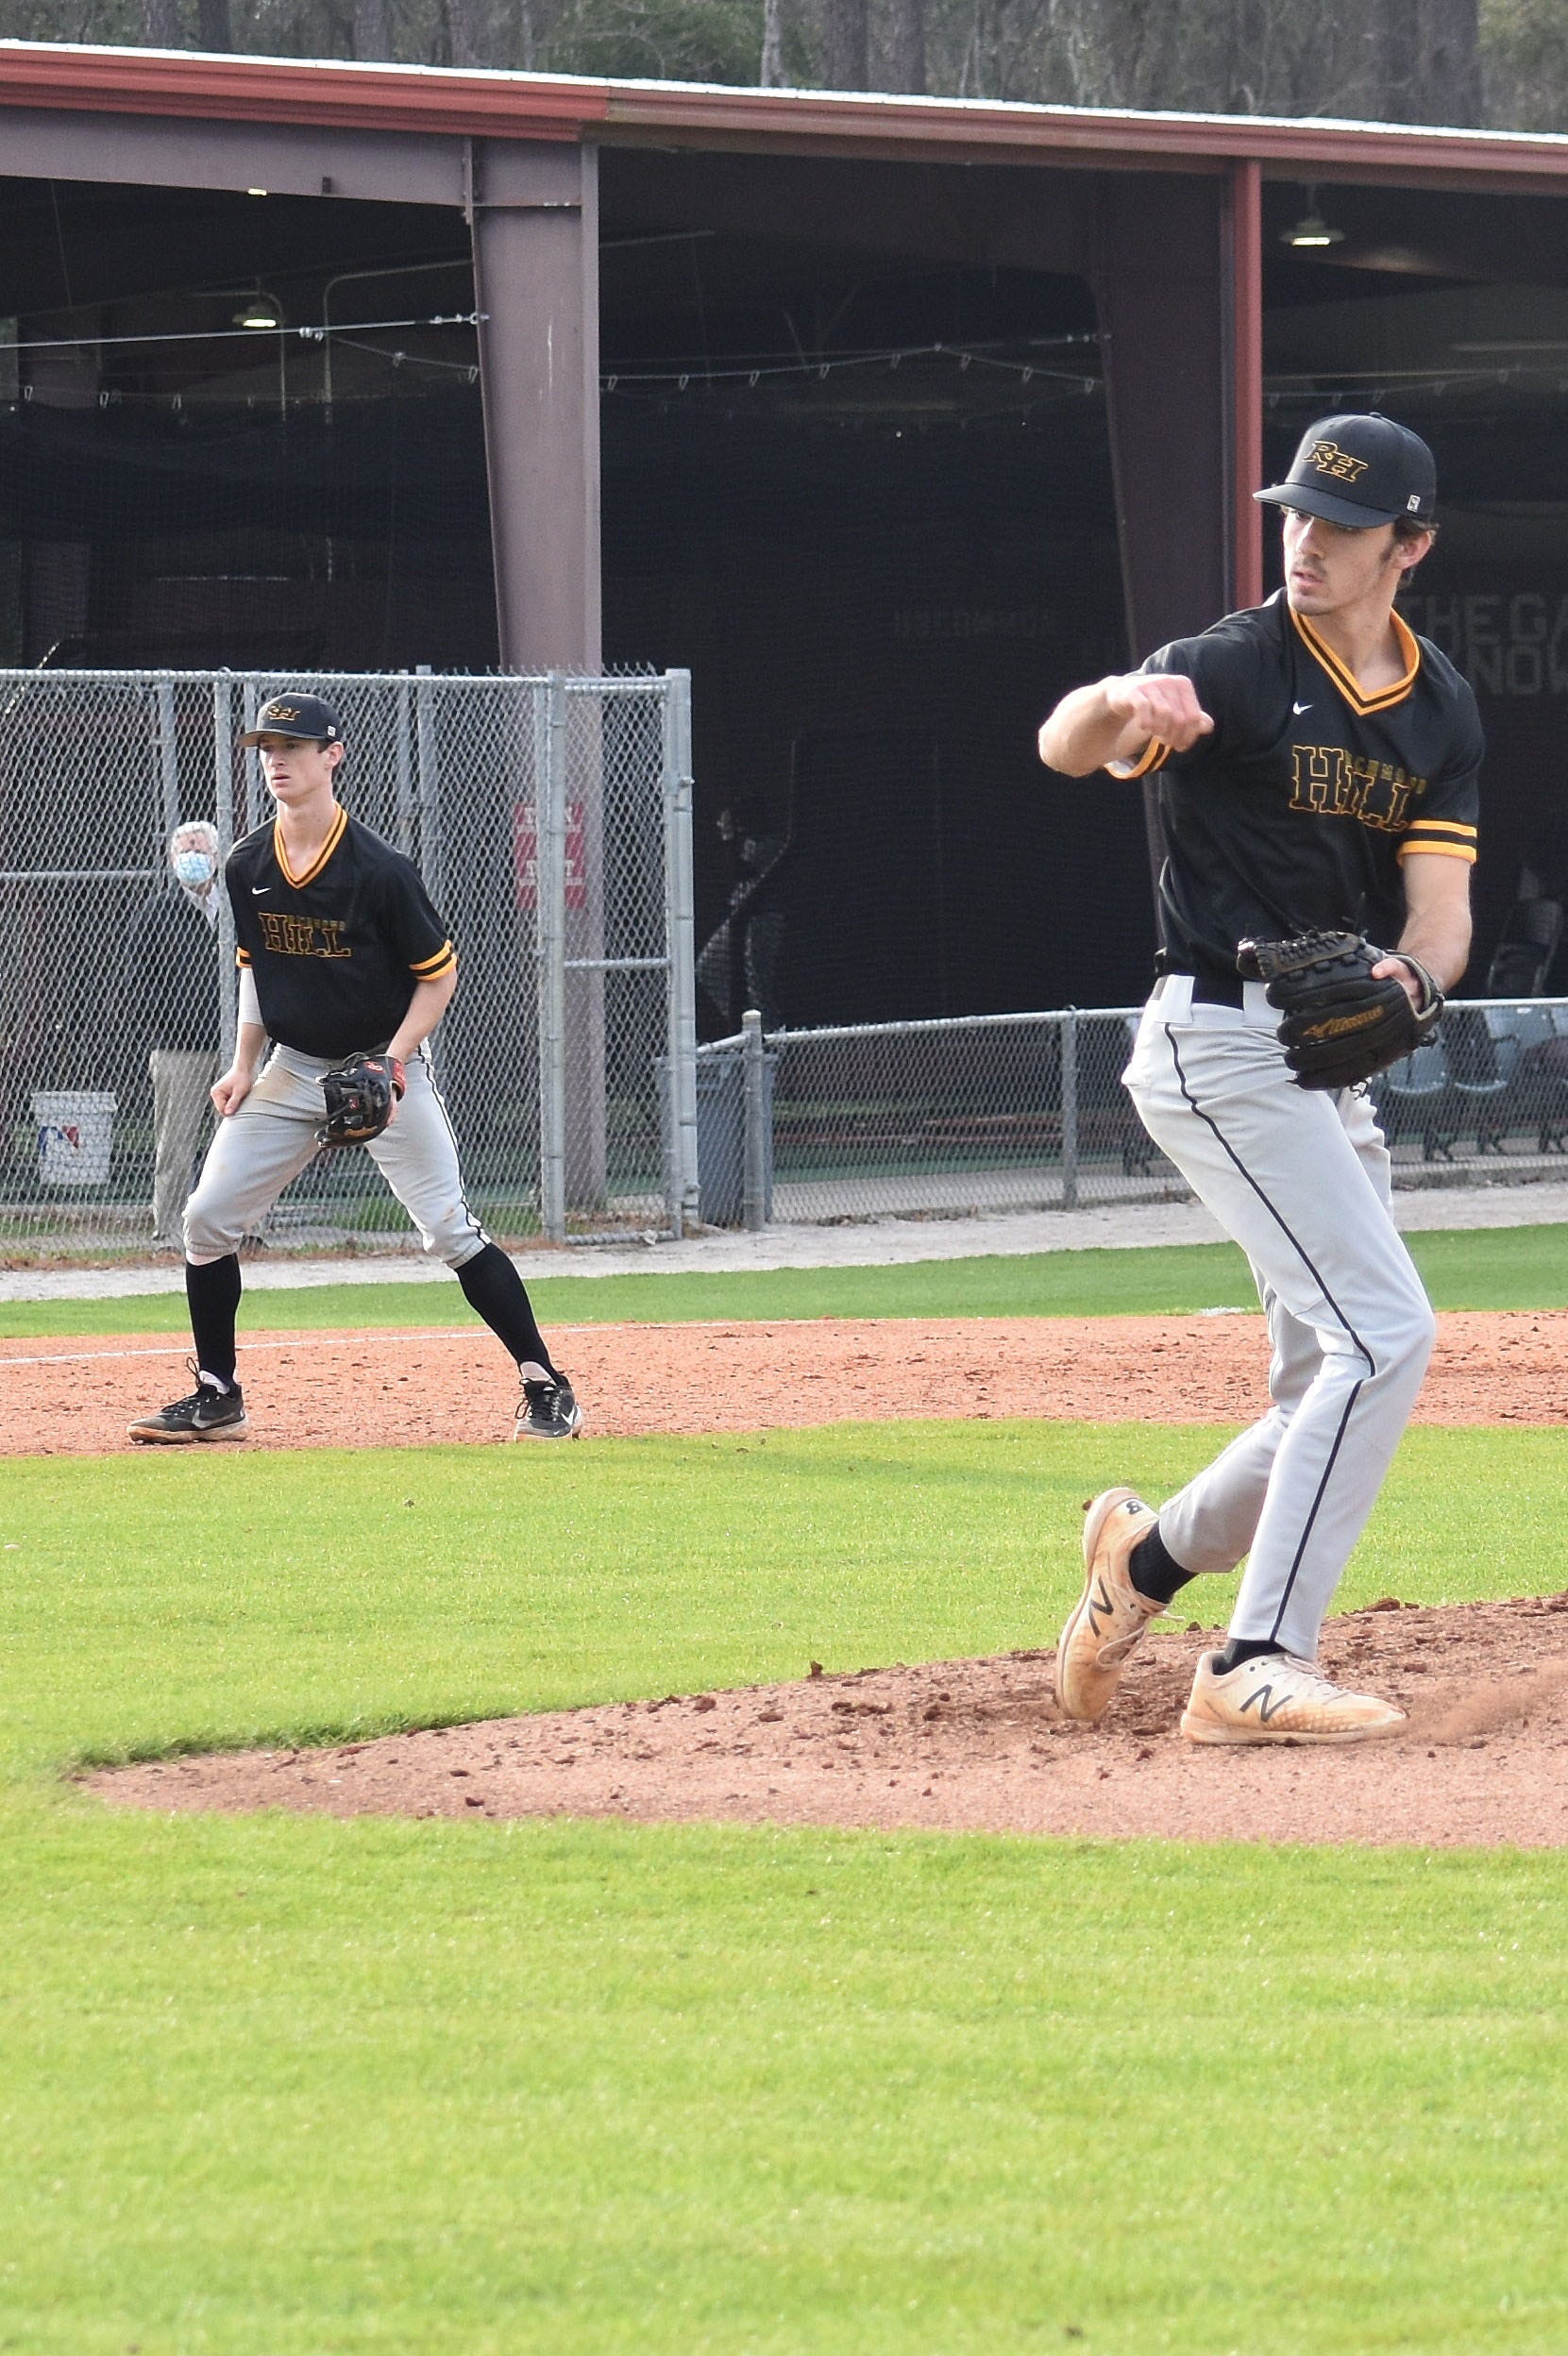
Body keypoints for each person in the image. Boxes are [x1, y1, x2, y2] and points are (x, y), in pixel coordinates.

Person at [1037, 412, 1481, 1744]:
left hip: (1315, 1057)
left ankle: (1144, 1561)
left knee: (1319, 1387)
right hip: (1215, 1037)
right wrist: (1125, 701)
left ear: (1409, 546)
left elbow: (1440, 919)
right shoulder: (1232, 660)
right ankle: (1254, 1661)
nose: (1308, 542)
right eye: (1295, 514)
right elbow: (1064, 743)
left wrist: (1410, 986)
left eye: (1342, 526)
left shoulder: (1438, 708)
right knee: (1386, 1332)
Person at [127, 693, 582, 1445]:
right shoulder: (245, 863)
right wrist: (244, 1064)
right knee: (206, 1221)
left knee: (447, 1231)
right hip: (292, 1066)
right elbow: (254, 966)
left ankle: (547, 1386)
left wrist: (394, 1063)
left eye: (293, 747)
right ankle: (217, 1395)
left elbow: (438, 977)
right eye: (267, 748)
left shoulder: (380, 870)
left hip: (380, 1067)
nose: (276, 760)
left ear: (332, 756)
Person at [127, 819, 223, 1250]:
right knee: (175, 1143)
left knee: (242, 1141)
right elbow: (134, 981)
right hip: (177, 1047)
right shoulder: (156, 911)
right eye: (185, 851)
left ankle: (243, 1226)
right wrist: (166, 1023)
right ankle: (168, 1229)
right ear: (171, 859)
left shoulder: (236, 908)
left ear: (217, 857)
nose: (193, 857)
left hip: (235, 1044)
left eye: (200, 850)